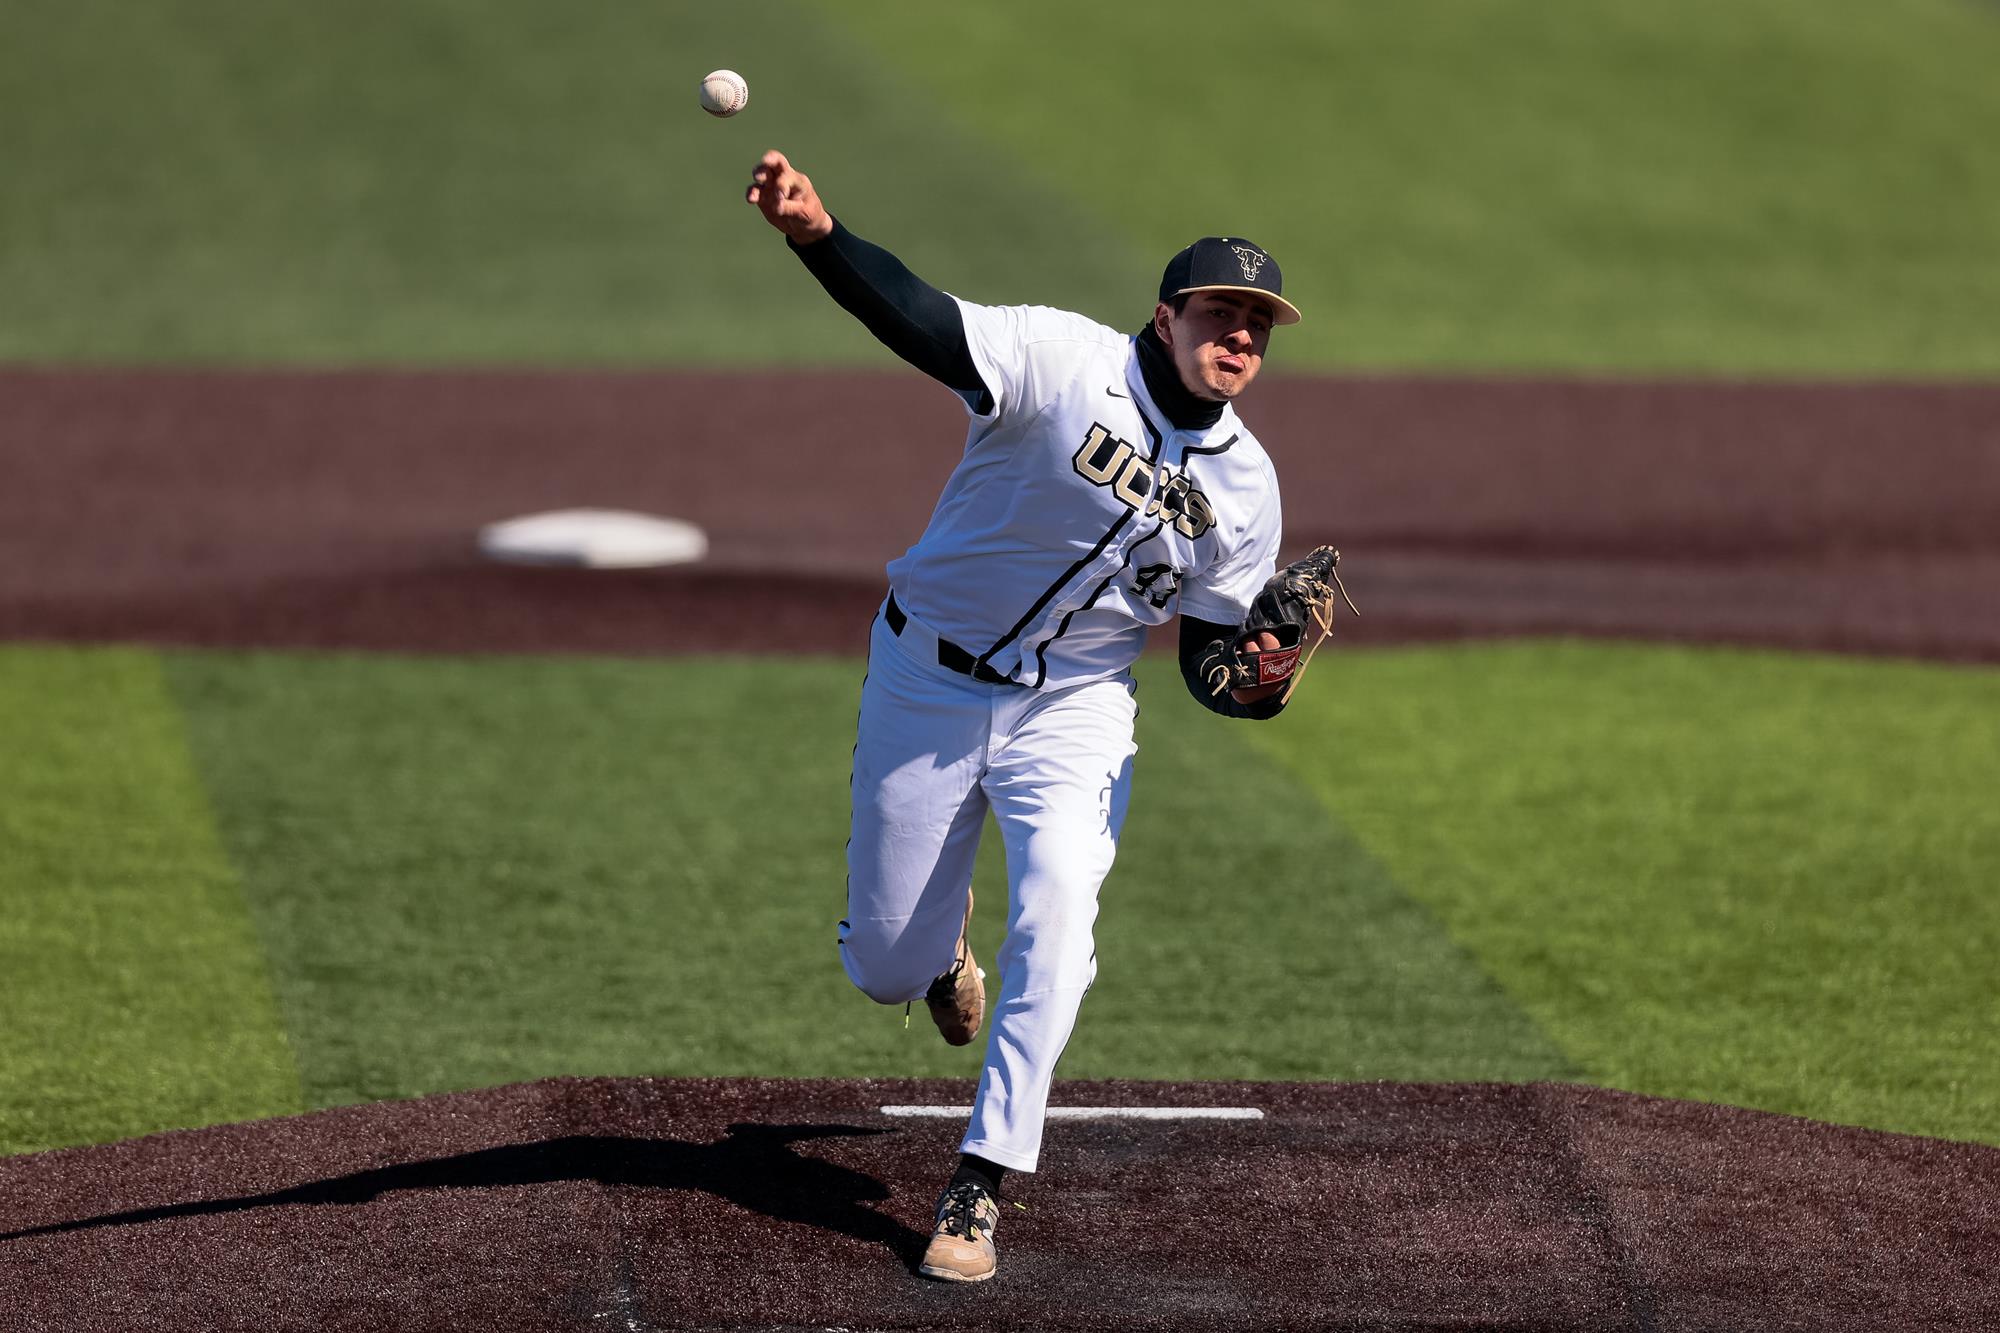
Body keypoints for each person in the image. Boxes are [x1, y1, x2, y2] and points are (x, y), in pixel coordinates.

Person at [746, 149, 1304, 1283]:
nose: (1239, 335)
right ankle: (937, 959)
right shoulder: (1060, 359)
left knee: (1058, 909)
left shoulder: (1248, 486)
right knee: (884, 967)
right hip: (927, 680)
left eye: (1258, 323)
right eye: (1220, 312)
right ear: (1165, 312)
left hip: (1077, 711)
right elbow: (919, 320)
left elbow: (1203, 649)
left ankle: (981, 1178)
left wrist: (1252, 684)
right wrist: (818, 234)